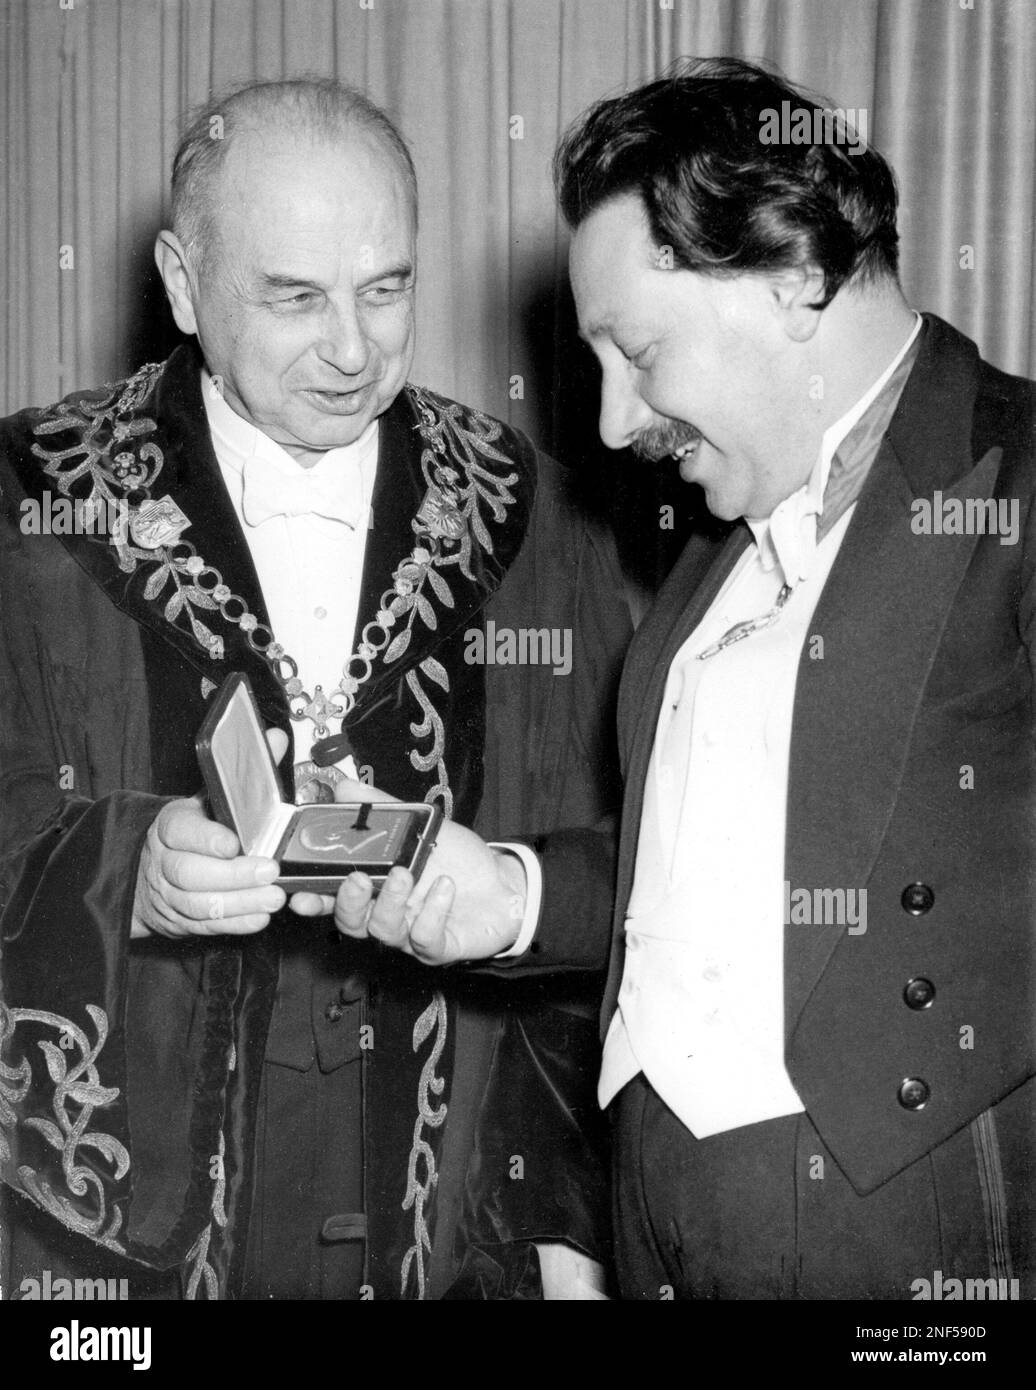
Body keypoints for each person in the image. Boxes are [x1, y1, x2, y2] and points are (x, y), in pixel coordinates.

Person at [328, 57, 1036, 1300]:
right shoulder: (708, 570)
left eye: (635, 350)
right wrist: (507, 889)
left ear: (795, 274)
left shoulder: (1016, 478)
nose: (610, 423)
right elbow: (711, 878)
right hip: (656, 1238)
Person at [0, 78, 631, 1300]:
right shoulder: (35, 505)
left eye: (385, 288)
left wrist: (567, 1231)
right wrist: (126, 870)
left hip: (446, 1212)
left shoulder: (538, 516)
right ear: (183, 285)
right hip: (117, 1232)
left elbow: (617, 877)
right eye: (293, 297)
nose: (353, 349)